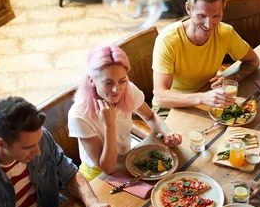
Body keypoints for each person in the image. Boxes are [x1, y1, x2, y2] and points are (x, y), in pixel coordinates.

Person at [68, 45, 182, 181]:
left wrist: (167, 133)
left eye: (122, 81)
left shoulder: (128, 89)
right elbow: (108, 168)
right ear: (91, 80)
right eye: (108, 83)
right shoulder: (78, 115)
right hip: (98, 175)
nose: (117, 90)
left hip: (128, 160)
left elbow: (150, 116)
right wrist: (109, 124)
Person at [152, 0, 260, 112]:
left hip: (207, 98)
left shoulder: (225, 33)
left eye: (216, 16)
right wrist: (202, 98)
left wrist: (231, 80)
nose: (209, 25)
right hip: (171, 108)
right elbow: (161, 98)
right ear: (188, 9)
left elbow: (253, 61)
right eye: (201, 16)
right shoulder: (168, 40)